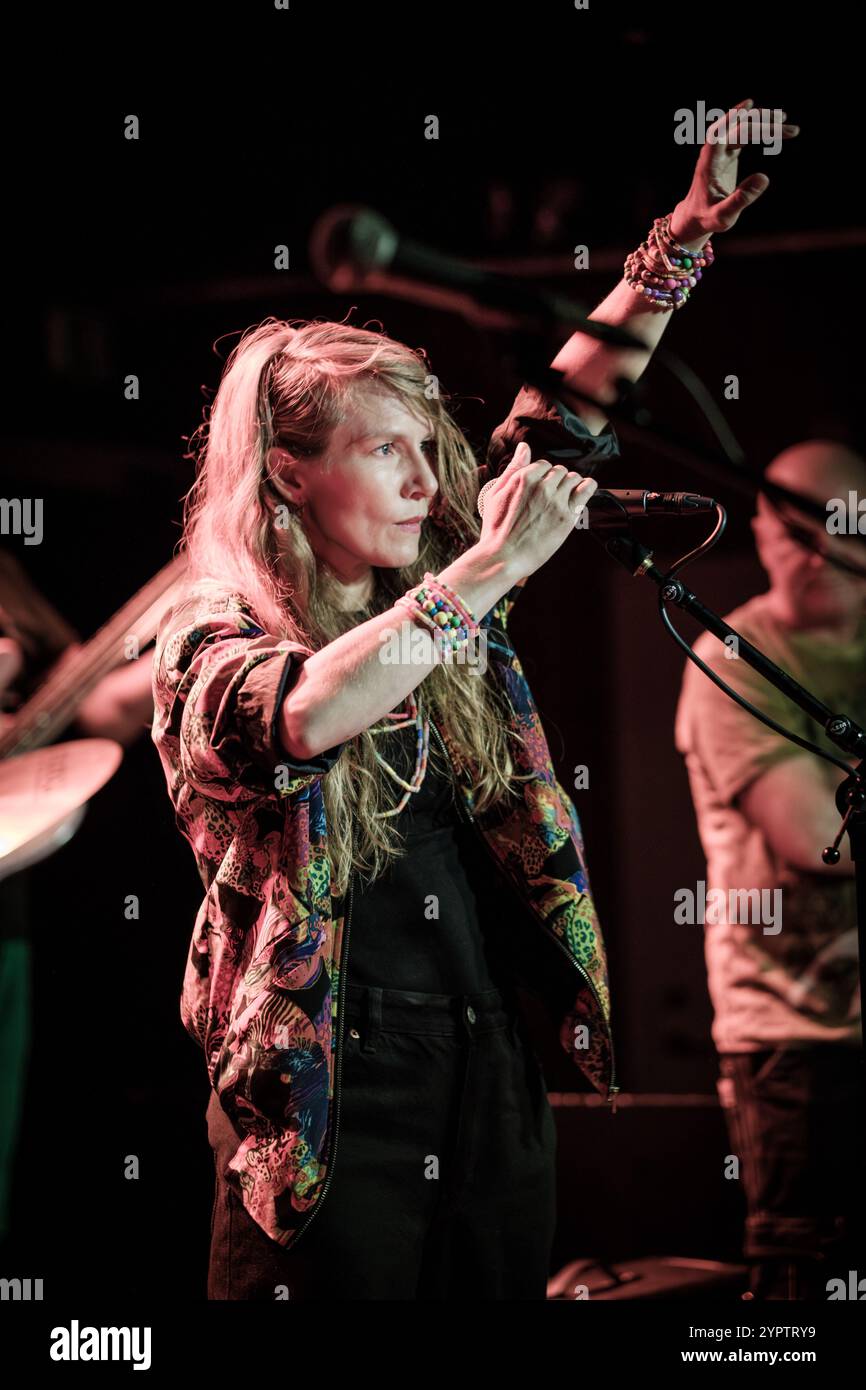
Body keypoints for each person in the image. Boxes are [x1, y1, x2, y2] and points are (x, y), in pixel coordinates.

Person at [149, 101, 799, 1299]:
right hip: (328, 1086)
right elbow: (298, 715)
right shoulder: (211, 633)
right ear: (289, 472)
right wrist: (486, 571)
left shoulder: (438, 570)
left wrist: (683, 240)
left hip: (486, 1054)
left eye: (422, 445)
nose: (420, 477)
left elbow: (568, 403)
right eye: (382, 450)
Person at [675, 441, 866, 1301]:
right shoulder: (734, 659)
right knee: (805, 1300)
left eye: (836, 523)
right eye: (790, 527)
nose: (815, 547)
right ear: (759, 531)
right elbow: (821, 836)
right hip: (798, 1042)